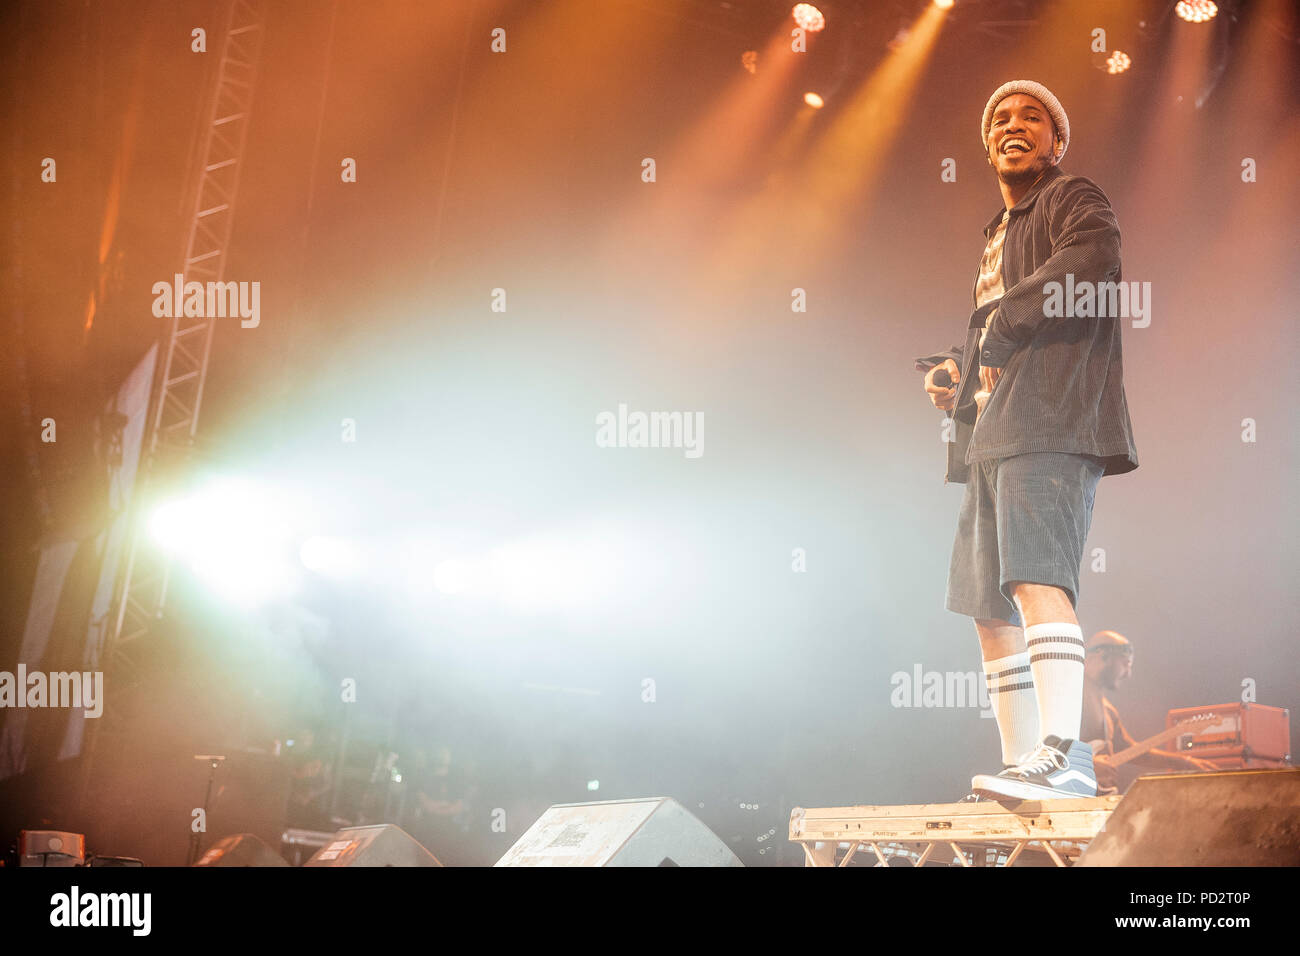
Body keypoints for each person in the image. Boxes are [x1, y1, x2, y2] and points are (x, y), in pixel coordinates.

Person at [914, 81, 1139, 801]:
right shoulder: (998, 232)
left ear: (1056, 142)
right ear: (987, 146)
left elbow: (1092, 262)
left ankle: (1065, 756)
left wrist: (998, 331)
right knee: (989, 605)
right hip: (995, 435)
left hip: (1051, 420)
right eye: (1001, 118)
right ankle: (1022, 765)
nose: (1015, 125)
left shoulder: (1075, 199)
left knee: (1038, 580)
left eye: (1032, 118)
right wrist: (960, 371)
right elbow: (993, 326)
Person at [1082, 631, 1217, 794]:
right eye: (1125, 664)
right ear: (1102, 655)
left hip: (1094, 798)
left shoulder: (1109, 711)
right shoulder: (1069, 693)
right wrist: (1086, 763)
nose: (1128, 674)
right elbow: (1045, 741)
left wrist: (1184, 762)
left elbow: (1133, 752)